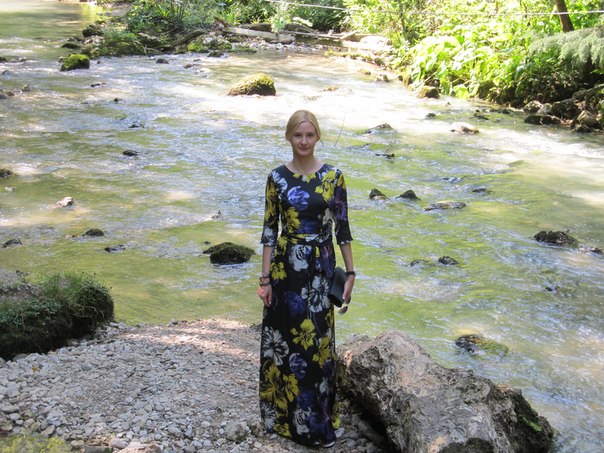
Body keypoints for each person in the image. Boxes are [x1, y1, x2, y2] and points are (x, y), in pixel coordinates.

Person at [257, 110, 355, 448]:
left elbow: (343, 230)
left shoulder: (334, 177)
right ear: (289, 137)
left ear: (317, 137)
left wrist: (351, 273)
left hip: (321, 271)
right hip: (285, 270)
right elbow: (269, 231)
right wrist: (265, 279)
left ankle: (317, 424)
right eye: (298, 135)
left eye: (309, 135)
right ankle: (284, 421)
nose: (303, 141)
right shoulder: (276, 178)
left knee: (317, 348)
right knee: (285, 344)